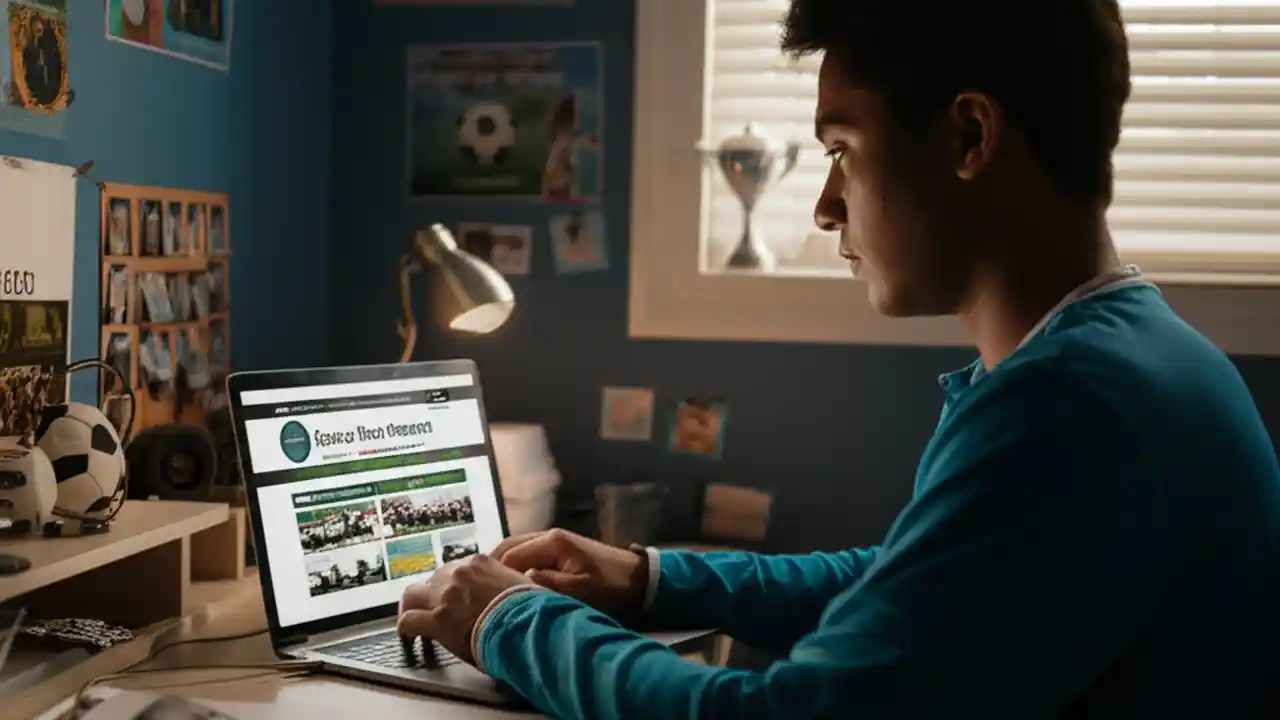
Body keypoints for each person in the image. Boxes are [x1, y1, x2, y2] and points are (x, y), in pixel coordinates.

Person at [396, 1, 1280, 717]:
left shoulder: (1069, 407)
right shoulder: (1149, 356)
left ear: (971, 136)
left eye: (841, 151)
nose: (825, 207)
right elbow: (914, 586)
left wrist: (512, 619)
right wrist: (651, 577)